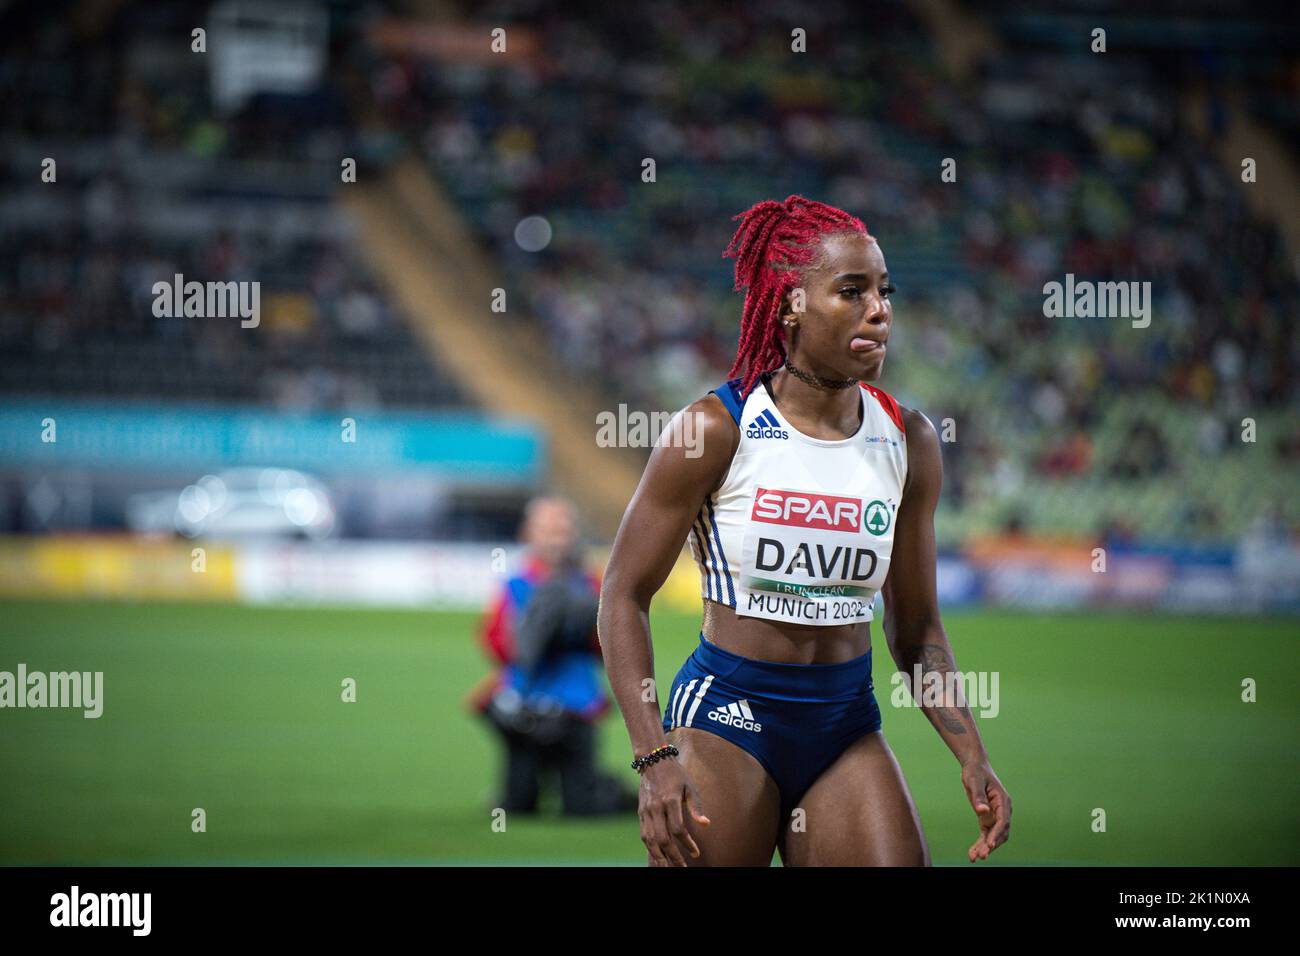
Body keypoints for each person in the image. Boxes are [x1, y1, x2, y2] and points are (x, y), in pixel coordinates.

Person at [597, 196, 1012, 865]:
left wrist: (972, 753)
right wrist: (653, 757)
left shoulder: (909, 440)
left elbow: (916, 629)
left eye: (884, 291)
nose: (879, 309)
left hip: (845, 722)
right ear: (790, 304)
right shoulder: (715, 431)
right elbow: (621, 596)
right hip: (726, 714)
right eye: (851, 291)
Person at [472, 495, 634, 815]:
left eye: (562, 529)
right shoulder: (516, 585)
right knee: (518, 806)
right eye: (547, 530)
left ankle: (614, 791)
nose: (556, 539)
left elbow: (612, 646)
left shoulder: (592, 584)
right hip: (525, 707)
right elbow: (495, 644)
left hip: (576, 707)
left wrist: (581, 625)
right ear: (527, 534)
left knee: (582, 808)